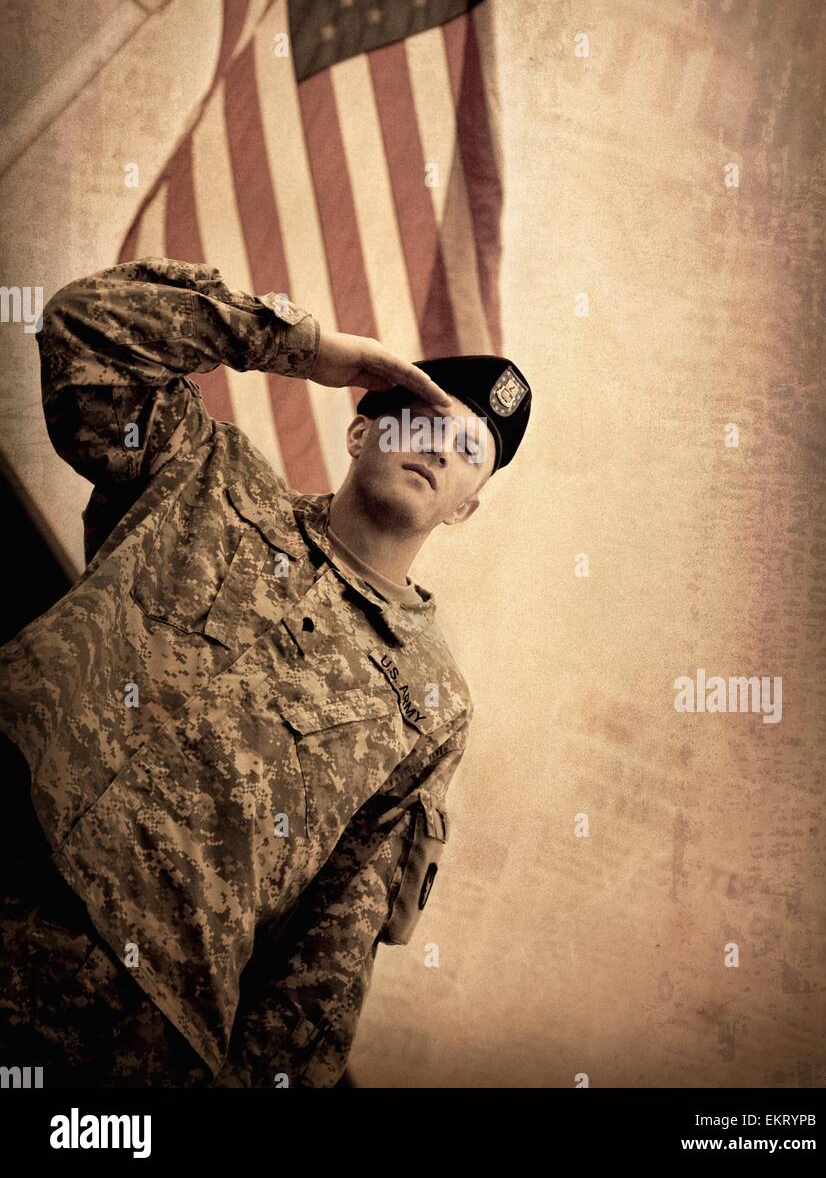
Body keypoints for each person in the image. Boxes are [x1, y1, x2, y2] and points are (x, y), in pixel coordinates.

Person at [0, 256, 531, 1088]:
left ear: (466, 504)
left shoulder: (432, 707)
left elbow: (327, 961)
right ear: (362, 429)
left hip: (121, 1027)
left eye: (469, 448)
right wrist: (309, 349)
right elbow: (83, 324)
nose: (438, 444)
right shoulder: (203, 474)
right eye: (420, 415)